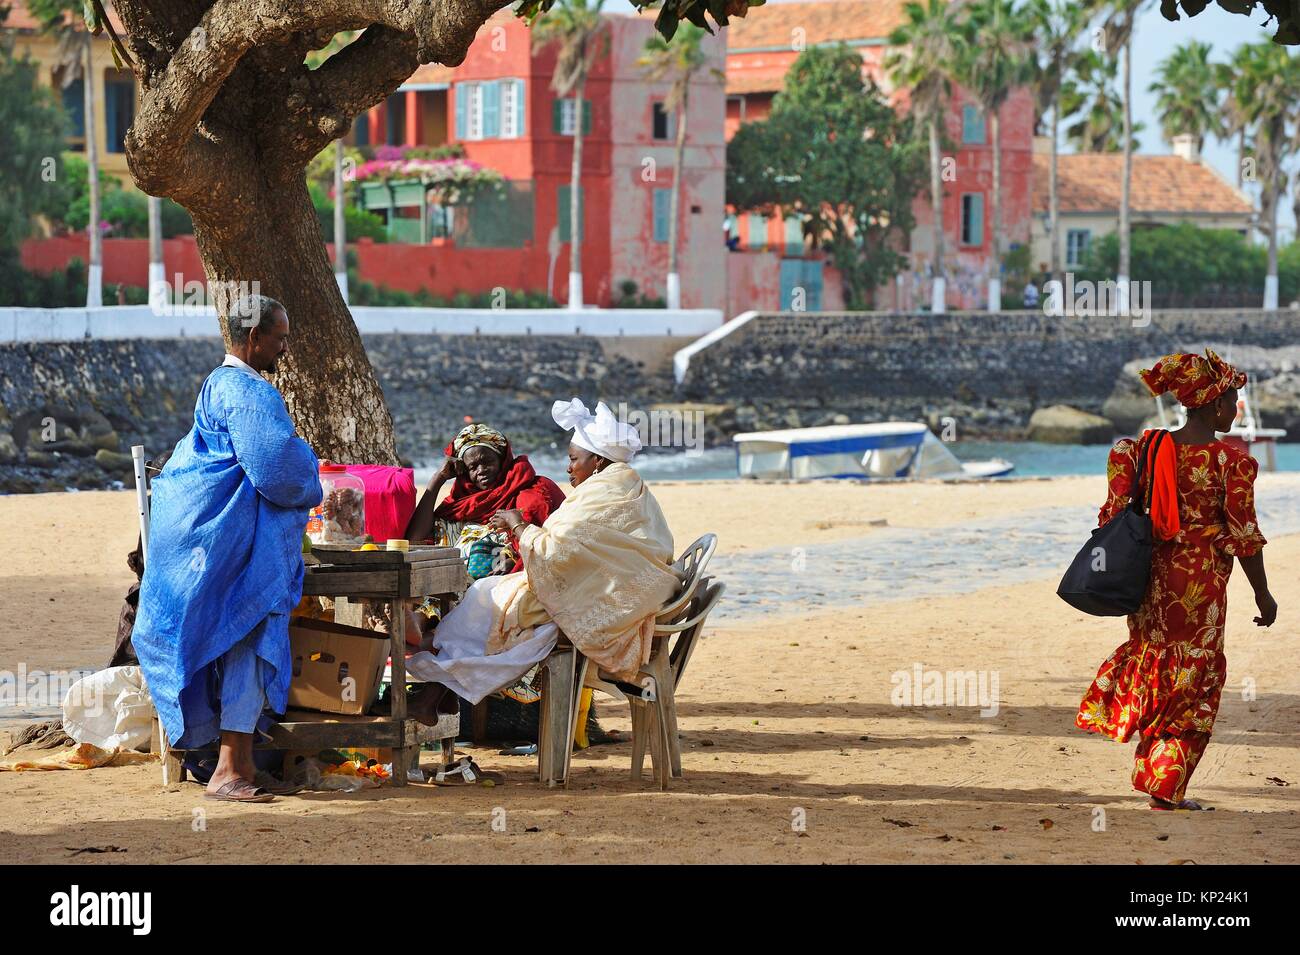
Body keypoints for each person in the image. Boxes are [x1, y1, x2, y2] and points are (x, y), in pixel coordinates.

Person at [132, 295, 322, 803]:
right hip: (231, 552)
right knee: (250, 641)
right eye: (279, 338)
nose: (284, 347)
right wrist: (312, 464)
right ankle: (229, 770)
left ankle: (232, 764)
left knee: (235, 639)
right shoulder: (245, 391)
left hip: (208, 545)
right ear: (254, 337)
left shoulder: (222, 385)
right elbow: (278, 471)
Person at [1075, 349, 1277, 810]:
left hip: (1148, 583)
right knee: (1194, 682)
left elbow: (1112, 515)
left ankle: (1155, 775)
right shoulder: (1232, 463)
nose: (1236, 409)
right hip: (1200, 587)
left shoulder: (1144, 451)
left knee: (1161, 672)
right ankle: (1165, 785)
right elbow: (1244, 536)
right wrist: (1263, 594)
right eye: (1232, 400)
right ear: (1212, 404)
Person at [404, 398, 678, 707]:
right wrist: (438, 479)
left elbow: (555, 550)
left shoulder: (585, 493)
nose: (568, 467)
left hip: (603, 597)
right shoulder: (616, 486)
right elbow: (570, 546)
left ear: (598, 461)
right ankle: (430, 677)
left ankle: (429, 679)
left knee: (487, 600)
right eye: (471, 467)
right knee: (483, 599)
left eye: (574, 459)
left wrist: (517, 525)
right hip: (606, 588)